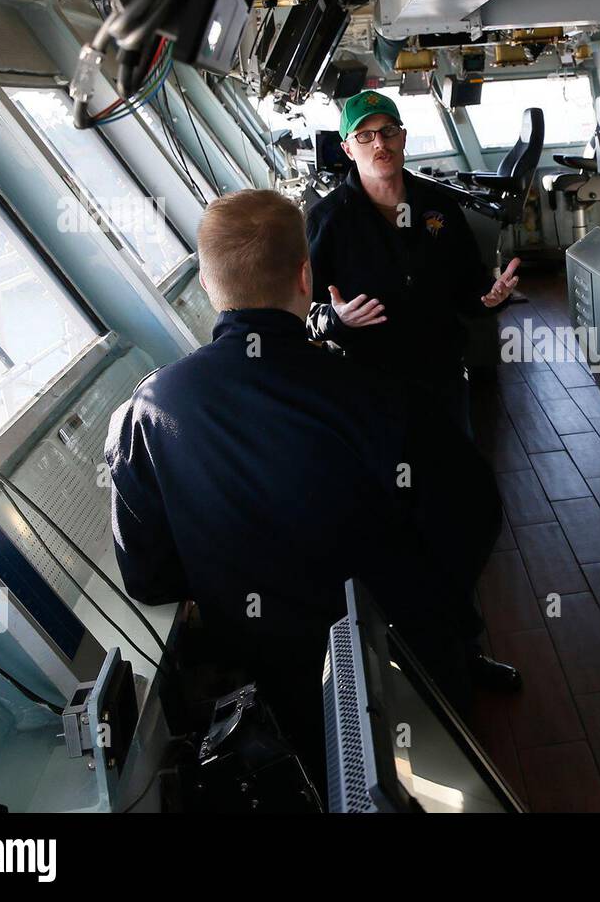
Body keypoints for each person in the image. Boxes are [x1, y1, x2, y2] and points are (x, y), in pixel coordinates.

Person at [104, 189, 519, 786]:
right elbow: (475, 512)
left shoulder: (146, 412)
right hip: (396, 680)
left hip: (266, 703)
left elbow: (148, 579)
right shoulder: (381, 396)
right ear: (305, 275)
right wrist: (430, 613)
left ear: (208, 282)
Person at [305, 90, 519, 434]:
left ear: (403, 136)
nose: (380, 144)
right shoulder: (326, 221)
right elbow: (302, 310)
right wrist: (336, 318)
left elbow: (468, 284)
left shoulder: (441, 206)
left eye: (388, 131)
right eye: (365, 135)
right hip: (366, 384)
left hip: (441, 376)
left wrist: (489, 296)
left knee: (452, 479)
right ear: (348, 148)